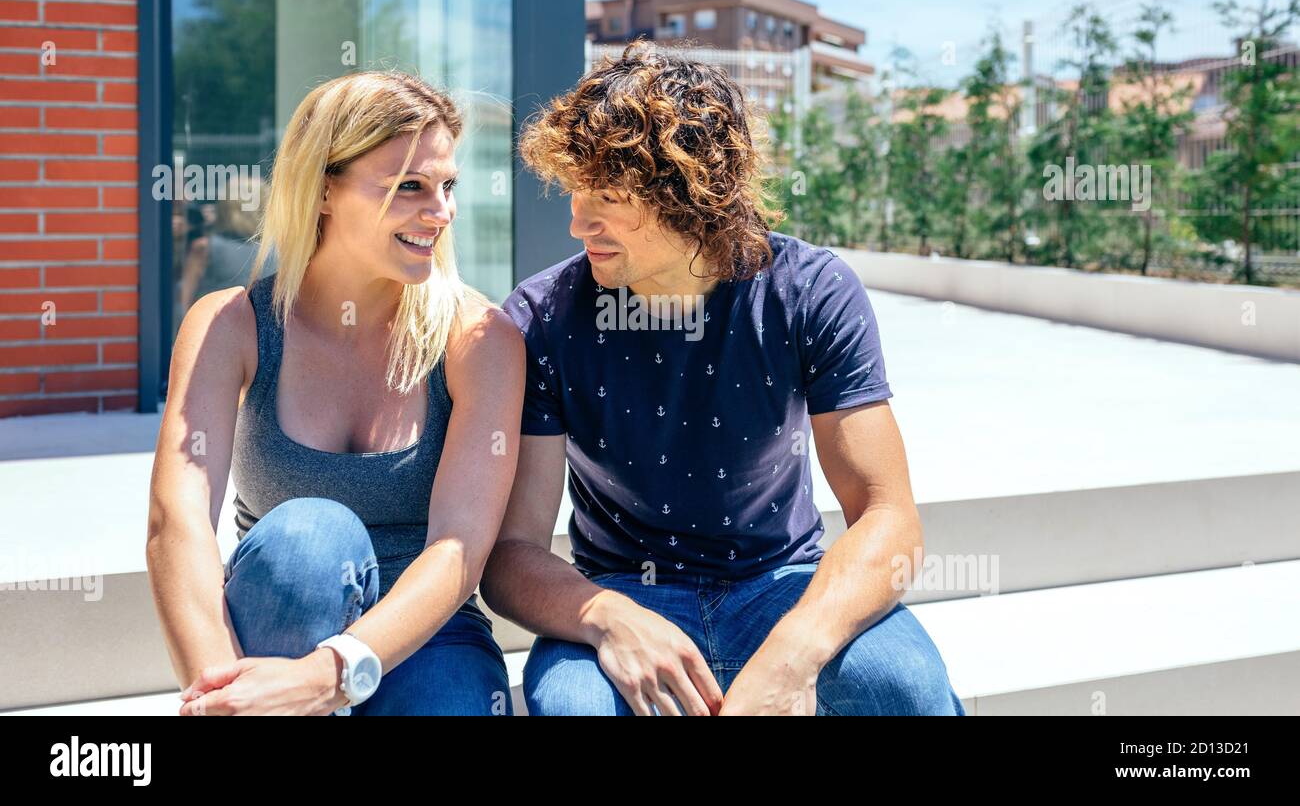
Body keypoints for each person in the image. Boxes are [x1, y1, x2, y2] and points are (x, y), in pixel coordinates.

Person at [481, 41, 964, 715]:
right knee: (575, 708)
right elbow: (510, 552)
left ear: (689, 194)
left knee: (902, 689)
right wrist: (609, 618)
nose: (576, 221)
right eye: (574, 191)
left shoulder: (809, 290)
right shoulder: (542, 317)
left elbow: (889, 517)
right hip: (623, 588)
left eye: (608, 196)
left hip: (782, 581)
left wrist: (795, 651)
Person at [146, 71, 524, 715]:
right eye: (409, 186)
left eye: (447, 186)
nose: (442, 212)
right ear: (323, 188)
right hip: (284, 616)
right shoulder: (229, 324)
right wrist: (219, 698)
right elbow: (175, 523)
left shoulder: (478, 336)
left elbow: (461, 544)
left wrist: (337, 672)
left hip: (429, 635)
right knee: (311, 536)